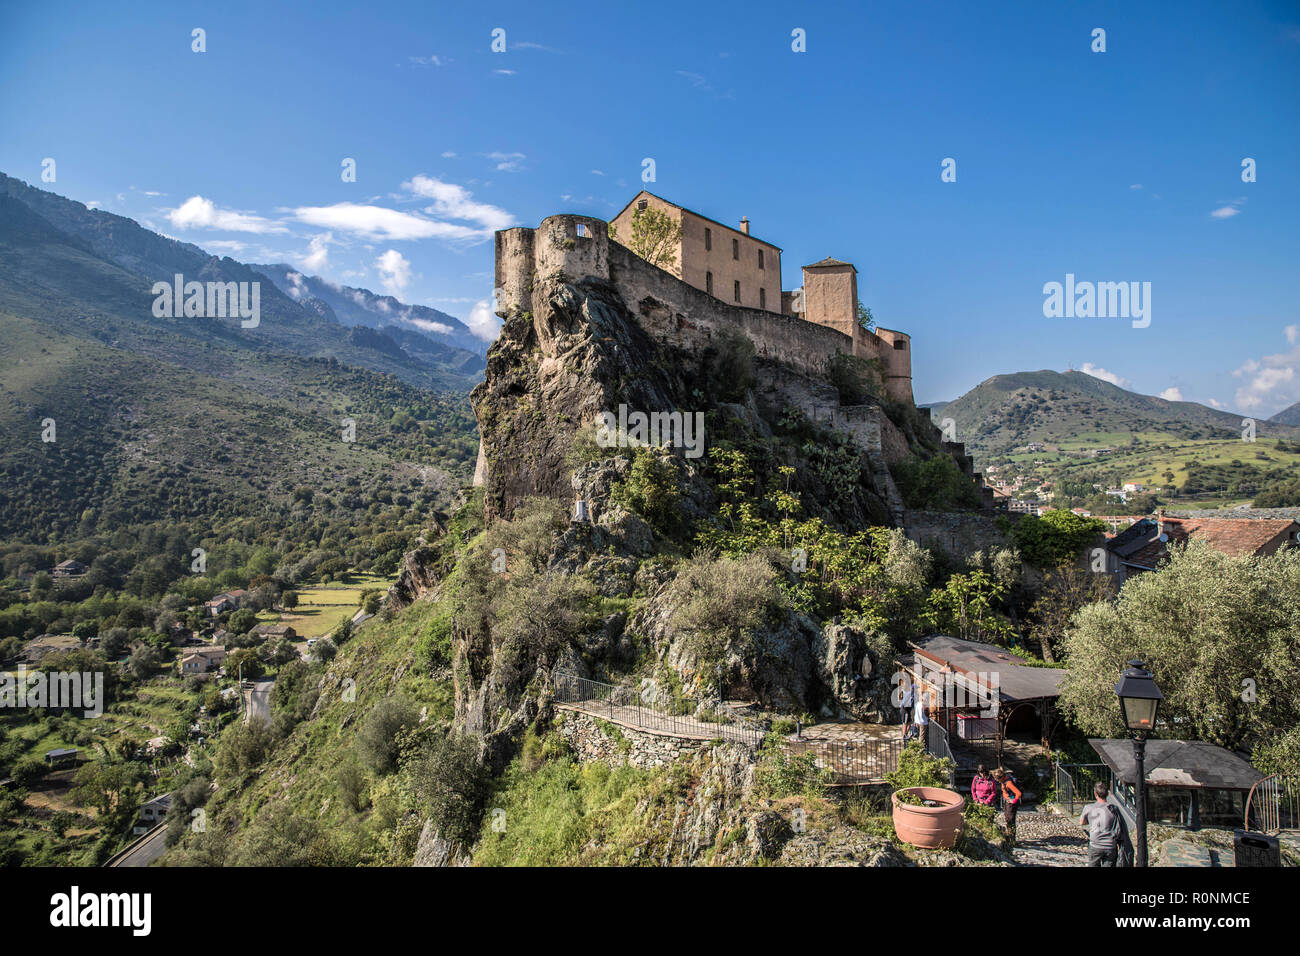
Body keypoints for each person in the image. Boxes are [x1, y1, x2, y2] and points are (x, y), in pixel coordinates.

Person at [1079, 781, 1131, 867]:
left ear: (1095, 793)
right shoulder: (1113, 809)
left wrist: (1092, 820)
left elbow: (1082, 822)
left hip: (1095, 844)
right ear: (1107, 793)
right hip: (1110, 845)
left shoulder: (1088, 808)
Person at [993, 767, 1022, 834]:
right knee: (1007, 818)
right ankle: (1009, 834)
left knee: (1010, 820)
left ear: (1001, 778)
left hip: (1011, 803)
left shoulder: (1008, 783)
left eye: (997, 779)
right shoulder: (1005, 779)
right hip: (1006, 800)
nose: (997, 781)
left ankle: (1011, 836)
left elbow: (1018, 793)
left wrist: (1013, 801)